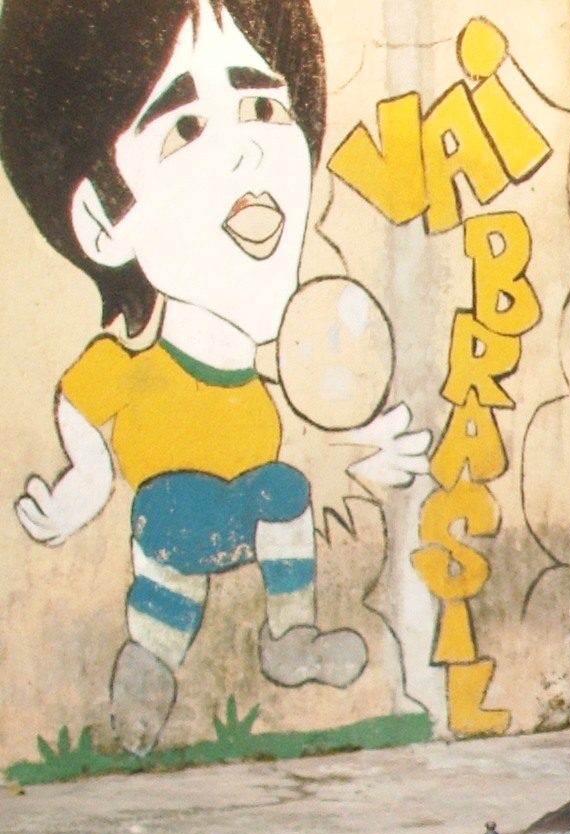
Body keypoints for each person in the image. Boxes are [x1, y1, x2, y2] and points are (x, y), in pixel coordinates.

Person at [0, 0, 428, 755]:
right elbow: (77, 400)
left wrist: (367, 449)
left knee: (280, 490)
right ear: (104, 218)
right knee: (178, 505)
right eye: (187, 126)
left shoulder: (281, 371)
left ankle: (290, 640)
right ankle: (149, 671)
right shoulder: (130, 365)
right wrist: (89, 476)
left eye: (264, 106)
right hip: (171, 518)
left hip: (240, 513)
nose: (252, 152)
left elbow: (313, 430)